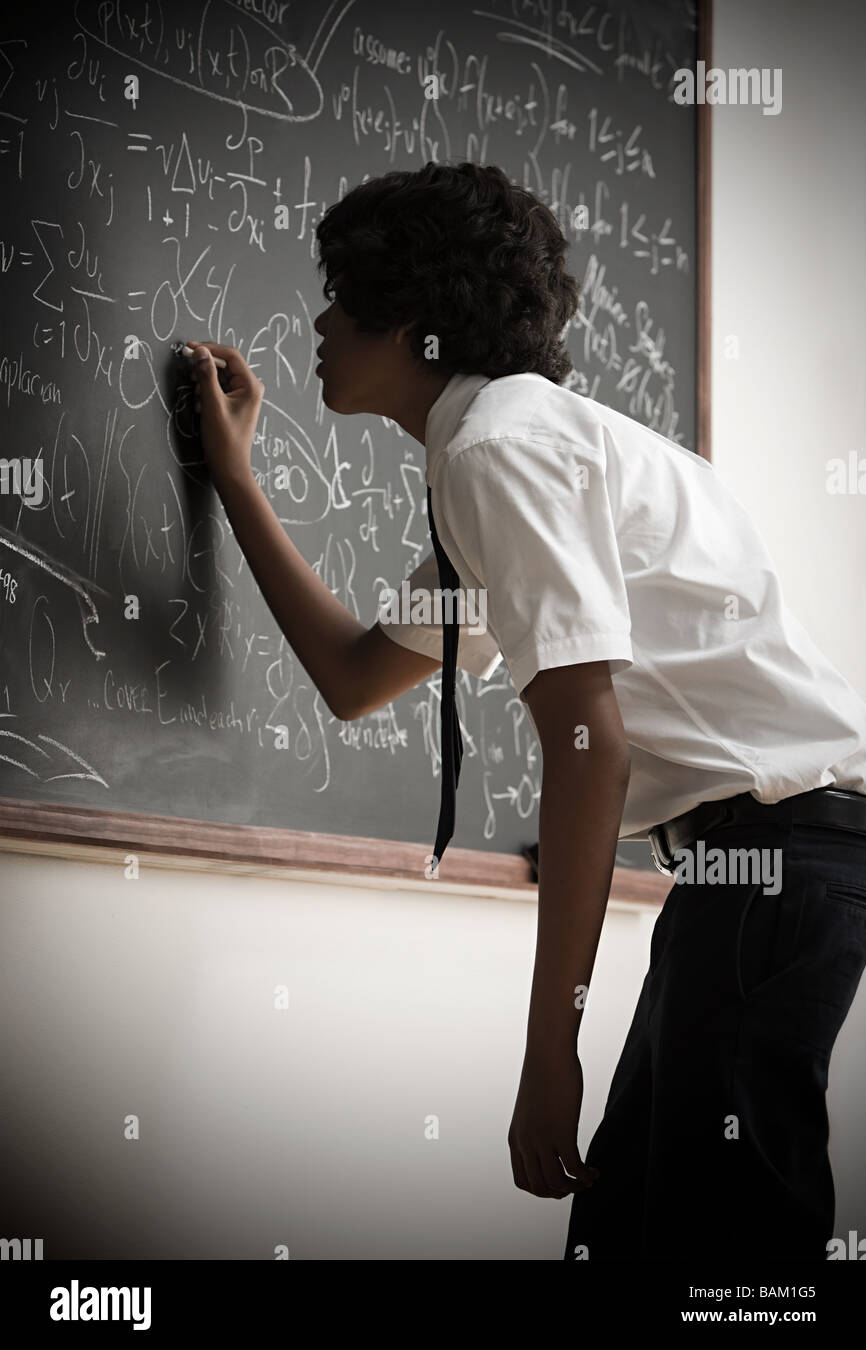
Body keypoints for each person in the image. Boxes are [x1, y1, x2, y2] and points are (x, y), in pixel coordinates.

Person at [185, 161, 866, 1261]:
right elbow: (357, 677)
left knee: (721, 1240)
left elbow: (586, 744)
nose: (316, 318)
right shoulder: (509, 448)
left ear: (412, 317)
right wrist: (237, 480)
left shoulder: (501, 447)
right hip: (767, 865)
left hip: (777, 856)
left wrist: (549, 1050)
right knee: (639, 1230)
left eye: (343, 289)